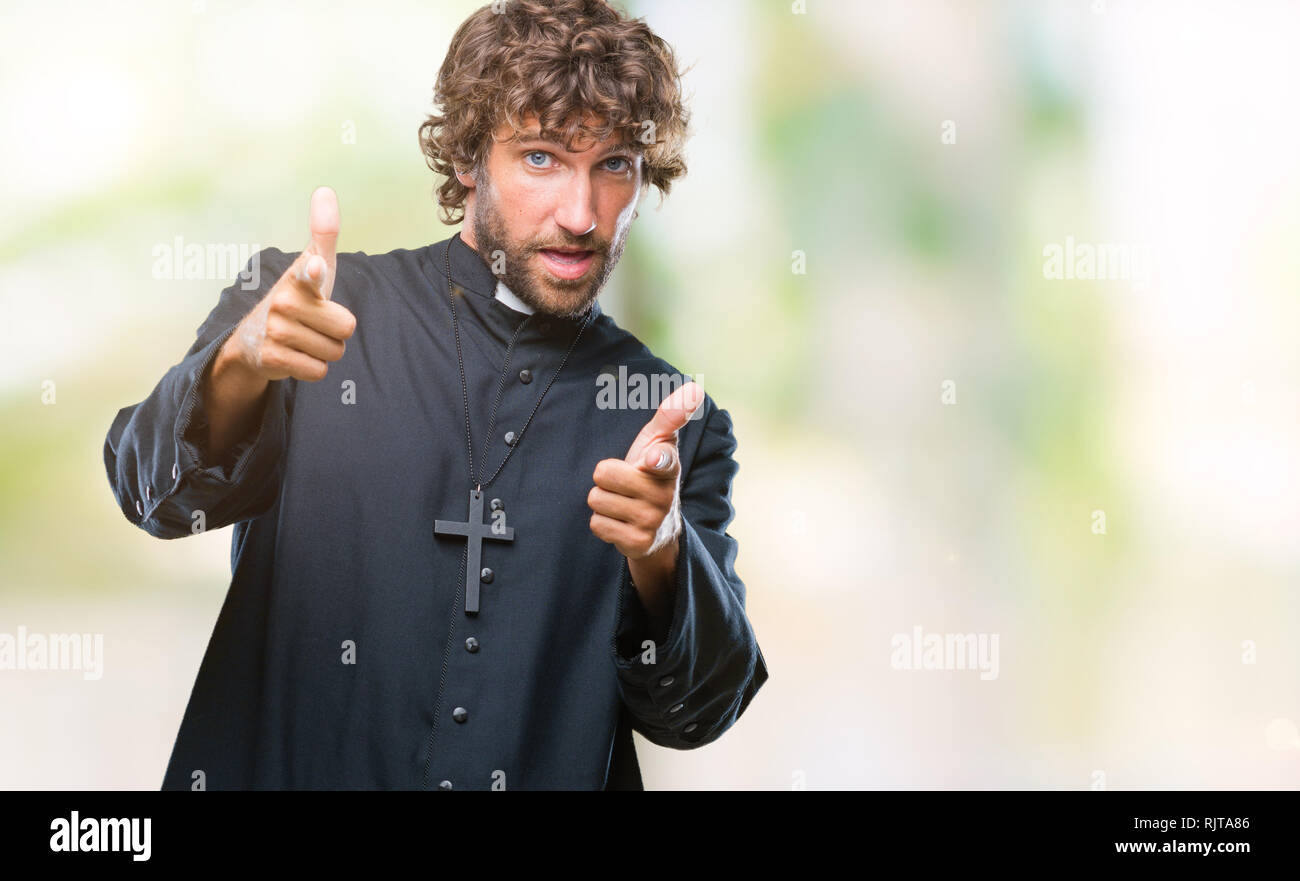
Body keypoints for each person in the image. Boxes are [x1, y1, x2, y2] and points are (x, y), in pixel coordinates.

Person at [103, 0, 767, 790]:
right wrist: (240, 363)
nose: (582, 214)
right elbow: (153, 498)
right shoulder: (299, 308)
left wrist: (661, 553)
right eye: (543, 158)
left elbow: (696, 712)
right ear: (467, 158)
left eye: (614, 163)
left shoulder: (674, 421)